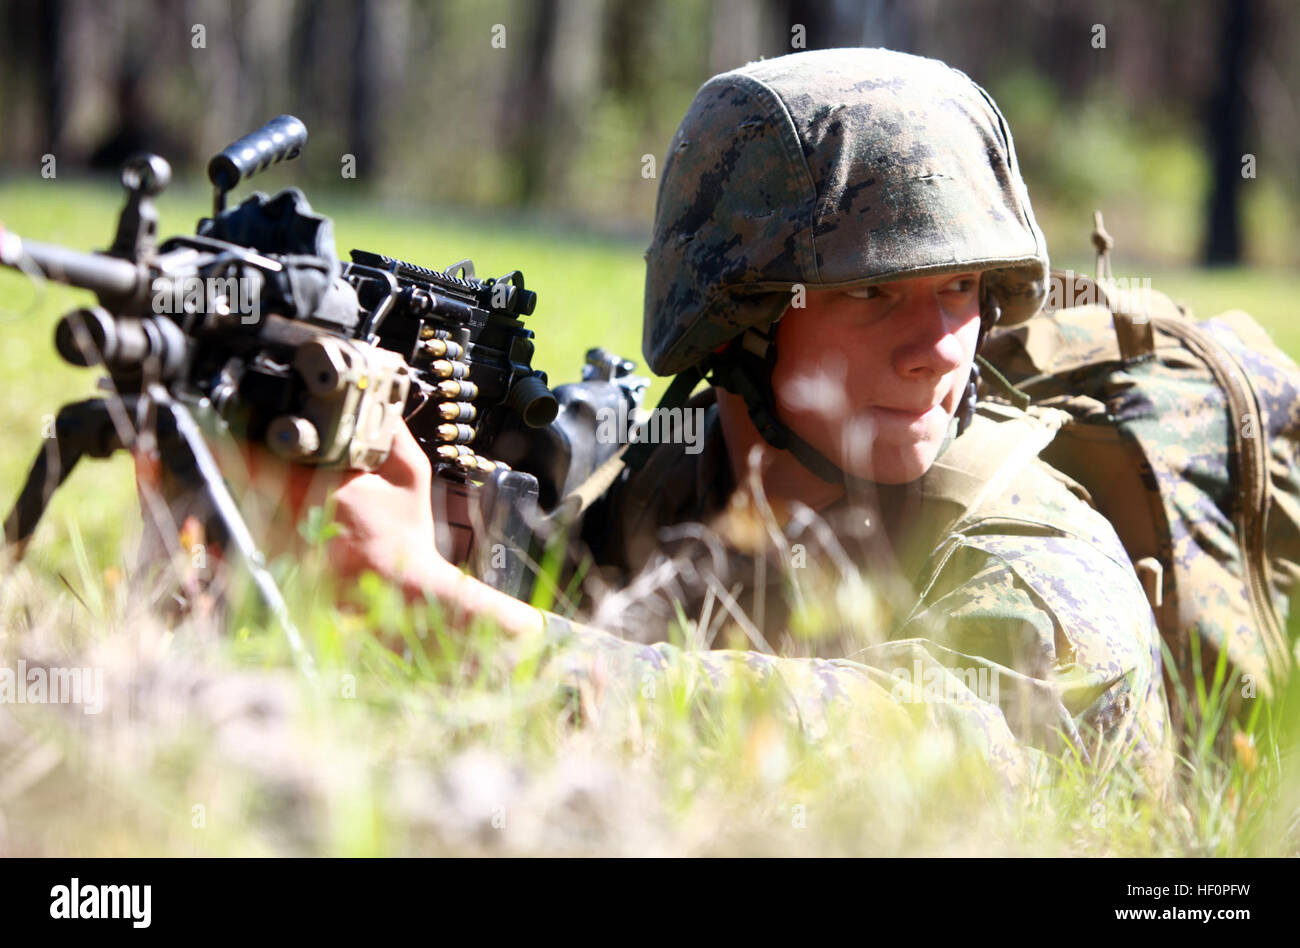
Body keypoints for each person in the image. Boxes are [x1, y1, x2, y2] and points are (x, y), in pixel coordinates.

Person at [219, 48, 1173, 792]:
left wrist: (433, 601)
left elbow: (918, 755)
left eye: (962, 286)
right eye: (876, 291)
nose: (938, 344)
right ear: (739, 321)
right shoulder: (656, 492)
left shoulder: (1043, 552)